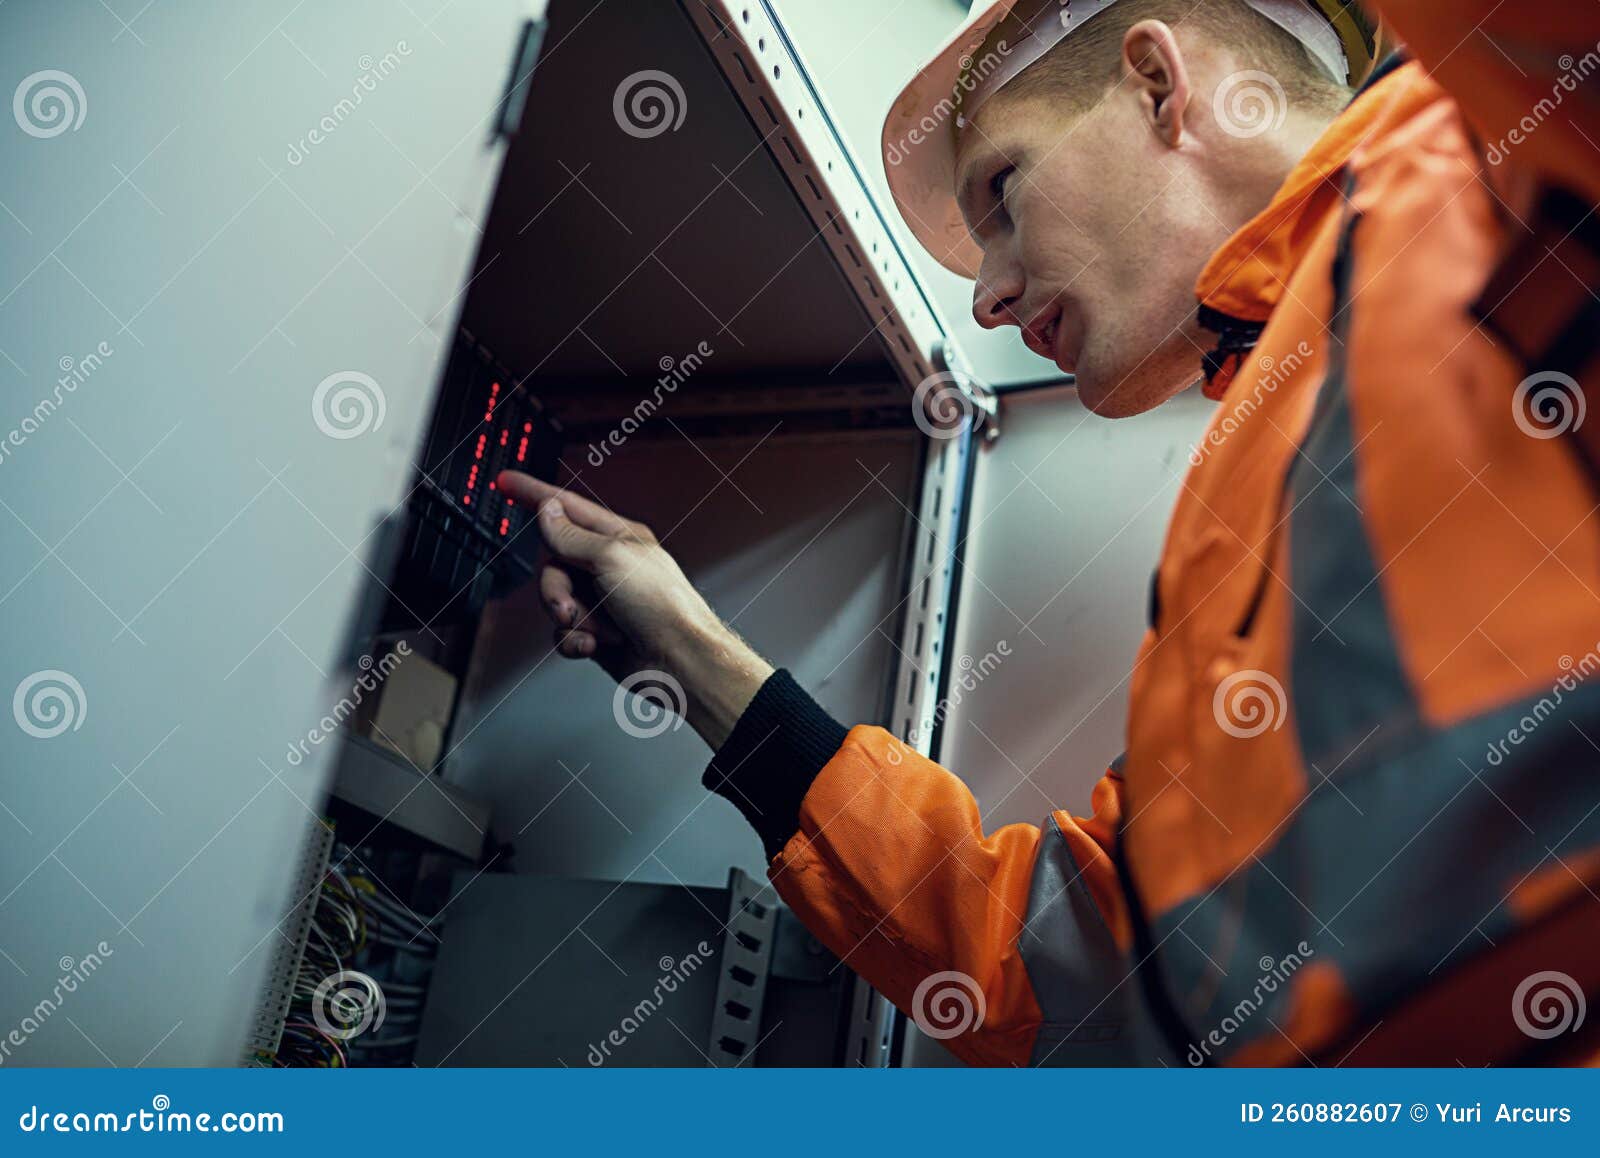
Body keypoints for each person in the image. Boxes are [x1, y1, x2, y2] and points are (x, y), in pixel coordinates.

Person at [498, 0, 1600, 1065]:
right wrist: (690, 657)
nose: (987, 297)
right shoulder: (1244, 515)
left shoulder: (1494, 143)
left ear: (1159, 86)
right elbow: (1072, 974)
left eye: (1002, 189)